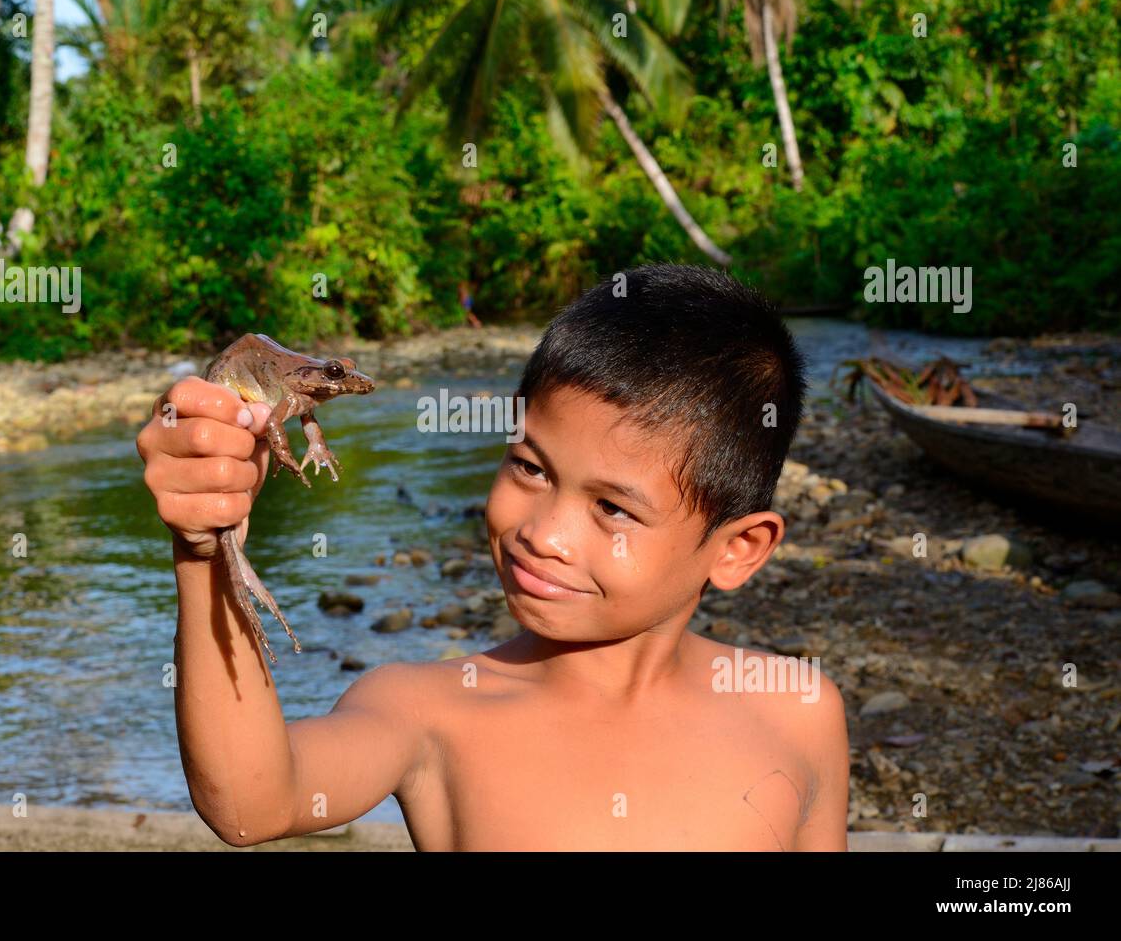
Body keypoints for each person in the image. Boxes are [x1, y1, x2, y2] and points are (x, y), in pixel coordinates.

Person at [136, 263, 849, 850]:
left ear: (738, 550)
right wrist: (204, 547)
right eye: (530, 468)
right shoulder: (427, 710)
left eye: (612, 508)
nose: (544, 532)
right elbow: (250, 802)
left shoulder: (798, 712)